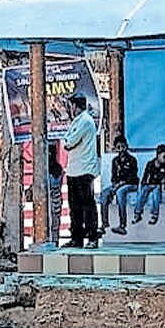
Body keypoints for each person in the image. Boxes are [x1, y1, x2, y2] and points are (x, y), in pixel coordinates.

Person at [62, 94, 100, 249]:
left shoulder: (85, 121)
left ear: (75, 106)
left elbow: (69, 142)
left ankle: (92, 237)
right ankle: (76, 238)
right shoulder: (76, 122)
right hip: (73, 169)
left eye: (71, 105)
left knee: (88, 205)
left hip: (85, 169)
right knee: (75, 206)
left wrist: (67, 141)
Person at [99, 136, 140, 235]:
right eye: (118, 147)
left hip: (131, 184)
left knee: (120, 192)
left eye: (123, 146)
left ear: (126, 146)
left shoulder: (132, 160)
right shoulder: (115, 161)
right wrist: (115, 183)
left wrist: (121, 184)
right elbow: (113, 176)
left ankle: (122, 225)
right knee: (104, 193)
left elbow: (133, 176)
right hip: (118, 184)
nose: (121, 149)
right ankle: (104, 223)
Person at [133, 144, 165, 226]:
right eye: (164, 156)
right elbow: (145, 176)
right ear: (158, 155)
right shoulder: (150, 164)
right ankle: (137, 213)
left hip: (158, 185)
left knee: (156, 195)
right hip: (149, 184)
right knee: (142, 193)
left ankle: (154, 215)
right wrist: (143, 184)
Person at [47, 143, 64, 245]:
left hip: (50, 198)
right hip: (57, 198)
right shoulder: (59, 169)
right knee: (55, 222)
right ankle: (55, 241)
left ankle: (51, 241)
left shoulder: (45, 169)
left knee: (50, 222)